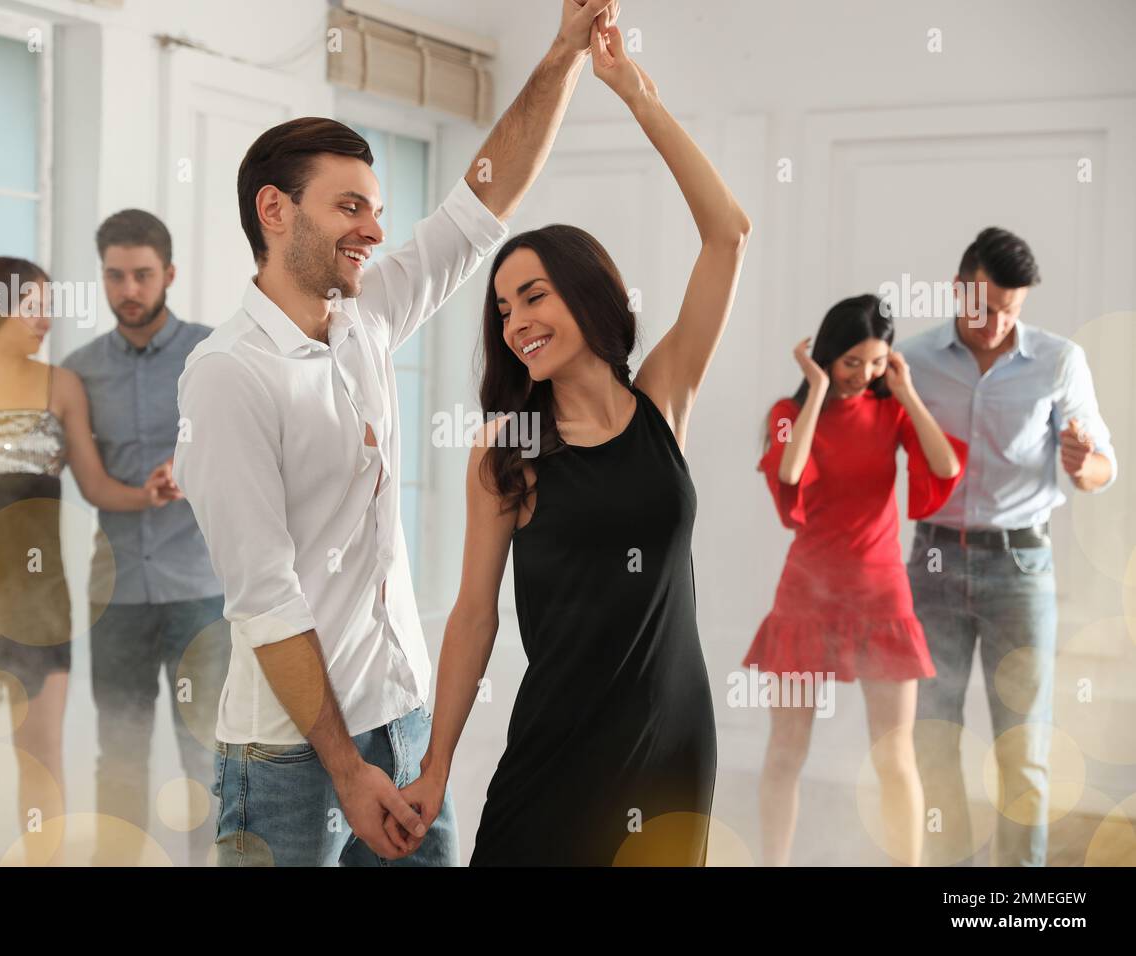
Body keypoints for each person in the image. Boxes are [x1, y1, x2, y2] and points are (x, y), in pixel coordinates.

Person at [174, 0, 625, 867]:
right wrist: (345, 771)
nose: (375, 230)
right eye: (350, 207)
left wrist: (565, 51)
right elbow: (267, 601)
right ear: (275, 210)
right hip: (289, 760)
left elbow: (481, 200)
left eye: (377, 209)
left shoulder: (367, 315)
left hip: (404, 722)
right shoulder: (228, 374)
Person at [393, 22, 751, 866]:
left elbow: (728, 233)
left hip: (673, 744)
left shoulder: (664, 396)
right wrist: (436, 763)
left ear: (586, 293)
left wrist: (634, 94)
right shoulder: (506, 452)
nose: (515, 322)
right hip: (557, 748)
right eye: (503, 310)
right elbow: (473, 616)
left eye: (532, 296)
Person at [0, 256, 177, 866]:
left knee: (42, 756)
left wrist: (146, 494)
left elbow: (96, 485)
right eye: (35, 306)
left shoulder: (62, 385)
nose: (47, 319)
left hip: (39, 596)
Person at [901, 227, 1118, 866]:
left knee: (1023, 746)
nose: (996, 325)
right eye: (985, 308)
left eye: (1011, 312)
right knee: (932, 738)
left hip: (1021, 571)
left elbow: (1105, 465)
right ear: (958, 288)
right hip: (932, 565)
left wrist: (1083, 467)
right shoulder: (912, 362)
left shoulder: (1058, 361)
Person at [744, 294, 967, 866]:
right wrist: (818, 390)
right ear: (826, 356)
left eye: (876, 364)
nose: (863, 376)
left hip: (880, 594)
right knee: (786, 753)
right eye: (851, 364)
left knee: (895, 757)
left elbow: (944, 468)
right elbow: (791, 471)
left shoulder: (890, 409)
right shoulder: (788, 412)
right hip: (806, 596)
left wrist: (907, 390)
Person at [62, 210, 229, 867]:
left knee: (205, 752)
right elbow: (85, 477)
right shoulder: (77, 372)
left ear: (169, 275)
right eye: (114, 275)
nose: (128, 289)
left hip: (198, 587)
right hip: (118, 595)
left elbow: (255, 452)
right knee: (121, 753)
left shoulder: (214, 353)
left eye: (142, 275)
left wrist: (196, 472)